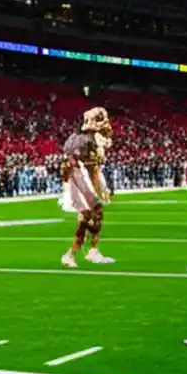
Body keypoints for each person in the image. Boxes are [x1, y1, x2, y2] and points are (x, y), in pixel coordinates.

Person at [59, 107, 115, 267]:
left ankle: (89, 251)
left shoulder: (85, 139)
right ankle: (73, 253)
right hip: (79, 178)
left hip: (81, 177)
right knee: (88, 215)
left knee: (94, 215)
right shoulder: (84, 141)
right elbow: (84, 169)